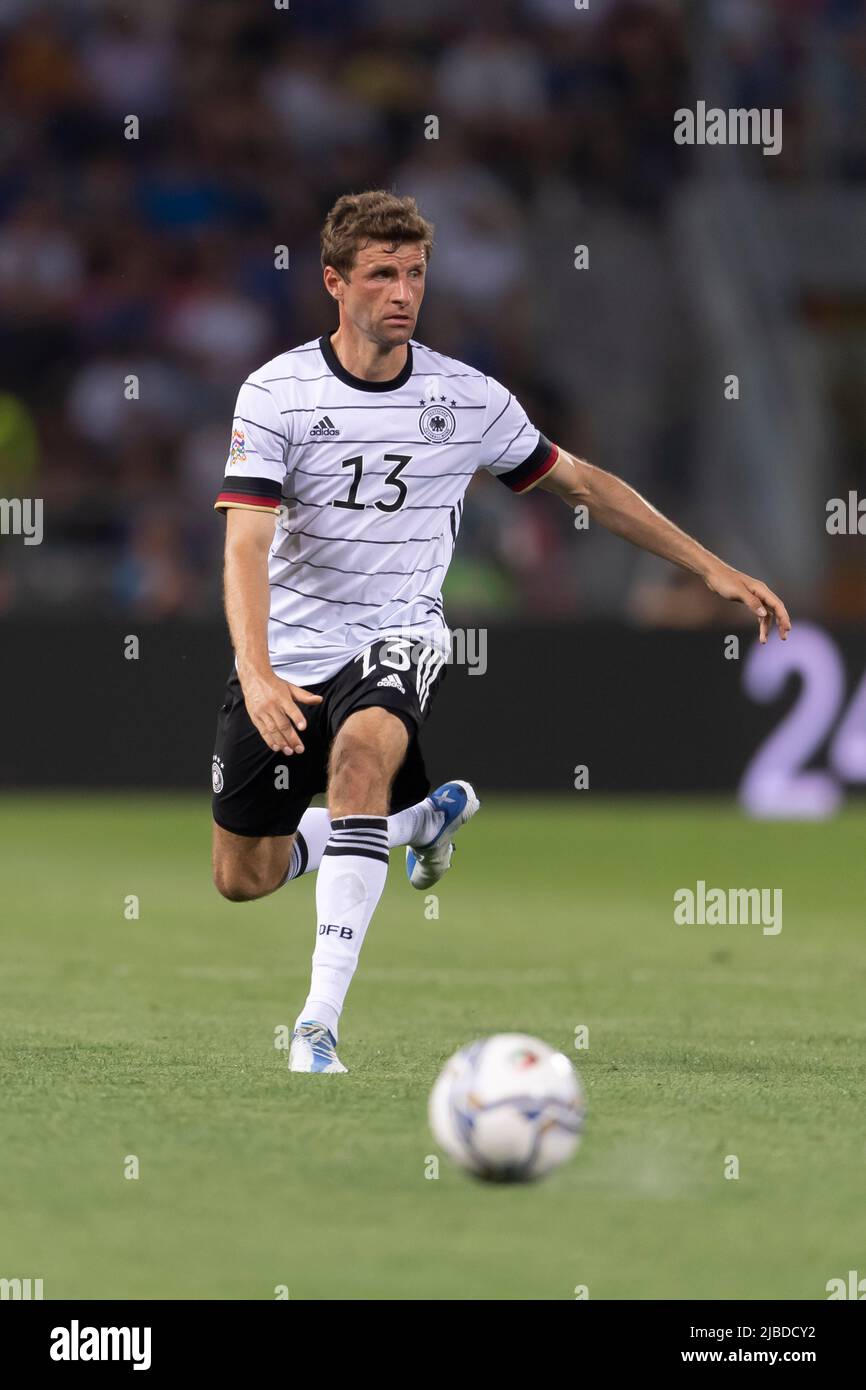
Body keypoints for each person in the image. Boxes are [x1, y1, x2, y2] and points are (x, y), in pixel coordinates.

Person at [211, 190, 791, 1074]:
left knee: (361, 763)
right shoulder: (277, 393)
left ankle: (317, 1025)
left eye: (415, 273)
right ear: (333, 282)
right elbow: (246, 543)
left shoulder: (467, 397)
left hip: (400, 633)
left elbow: (585, 486)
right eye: (381, 275)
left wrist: (708, 567)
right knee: (241, 877)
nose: (403, 293)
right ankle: (415, 825)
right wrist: (255, 670)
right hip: (288, 647)